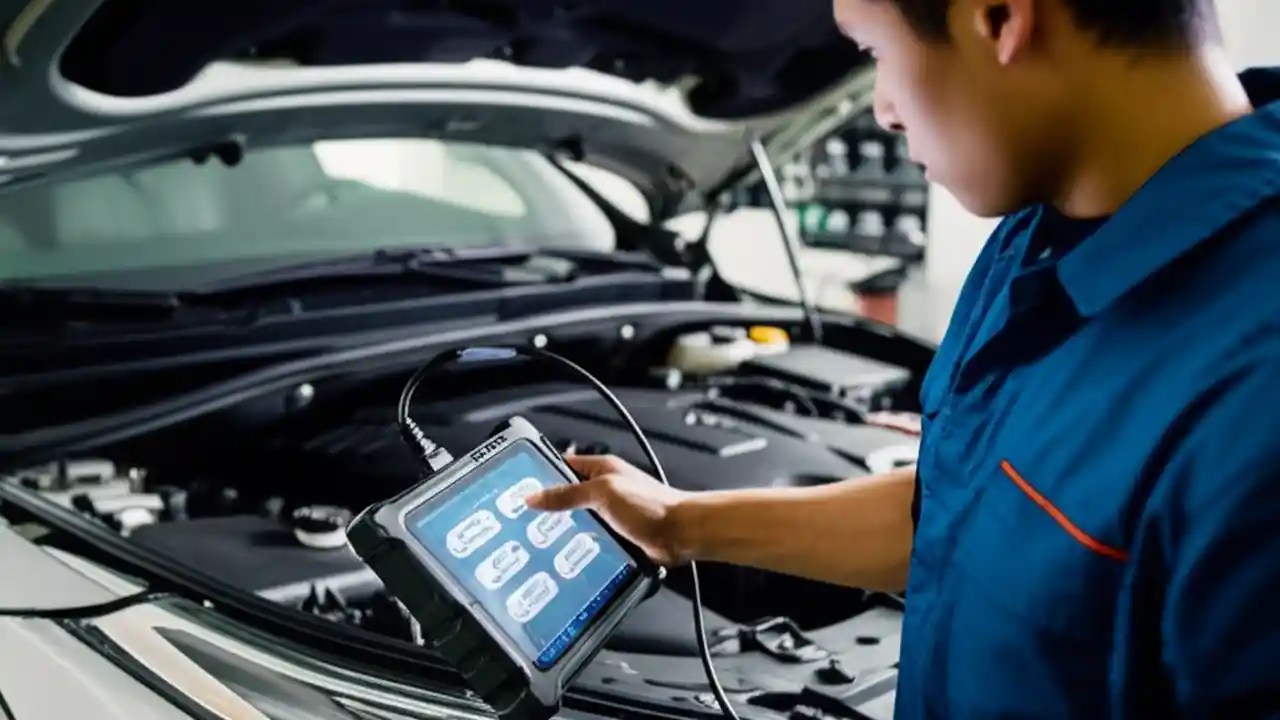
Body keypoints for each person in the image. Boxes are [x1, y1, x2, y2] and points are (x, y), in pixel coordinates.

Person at [528, 0, 1280, 716]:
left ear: (998, 17)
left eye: (874, 51)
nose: (883, 108)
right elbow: (959, 511)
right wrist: (680, 523)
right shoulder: (1041, 235)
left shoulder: (1251, 397)